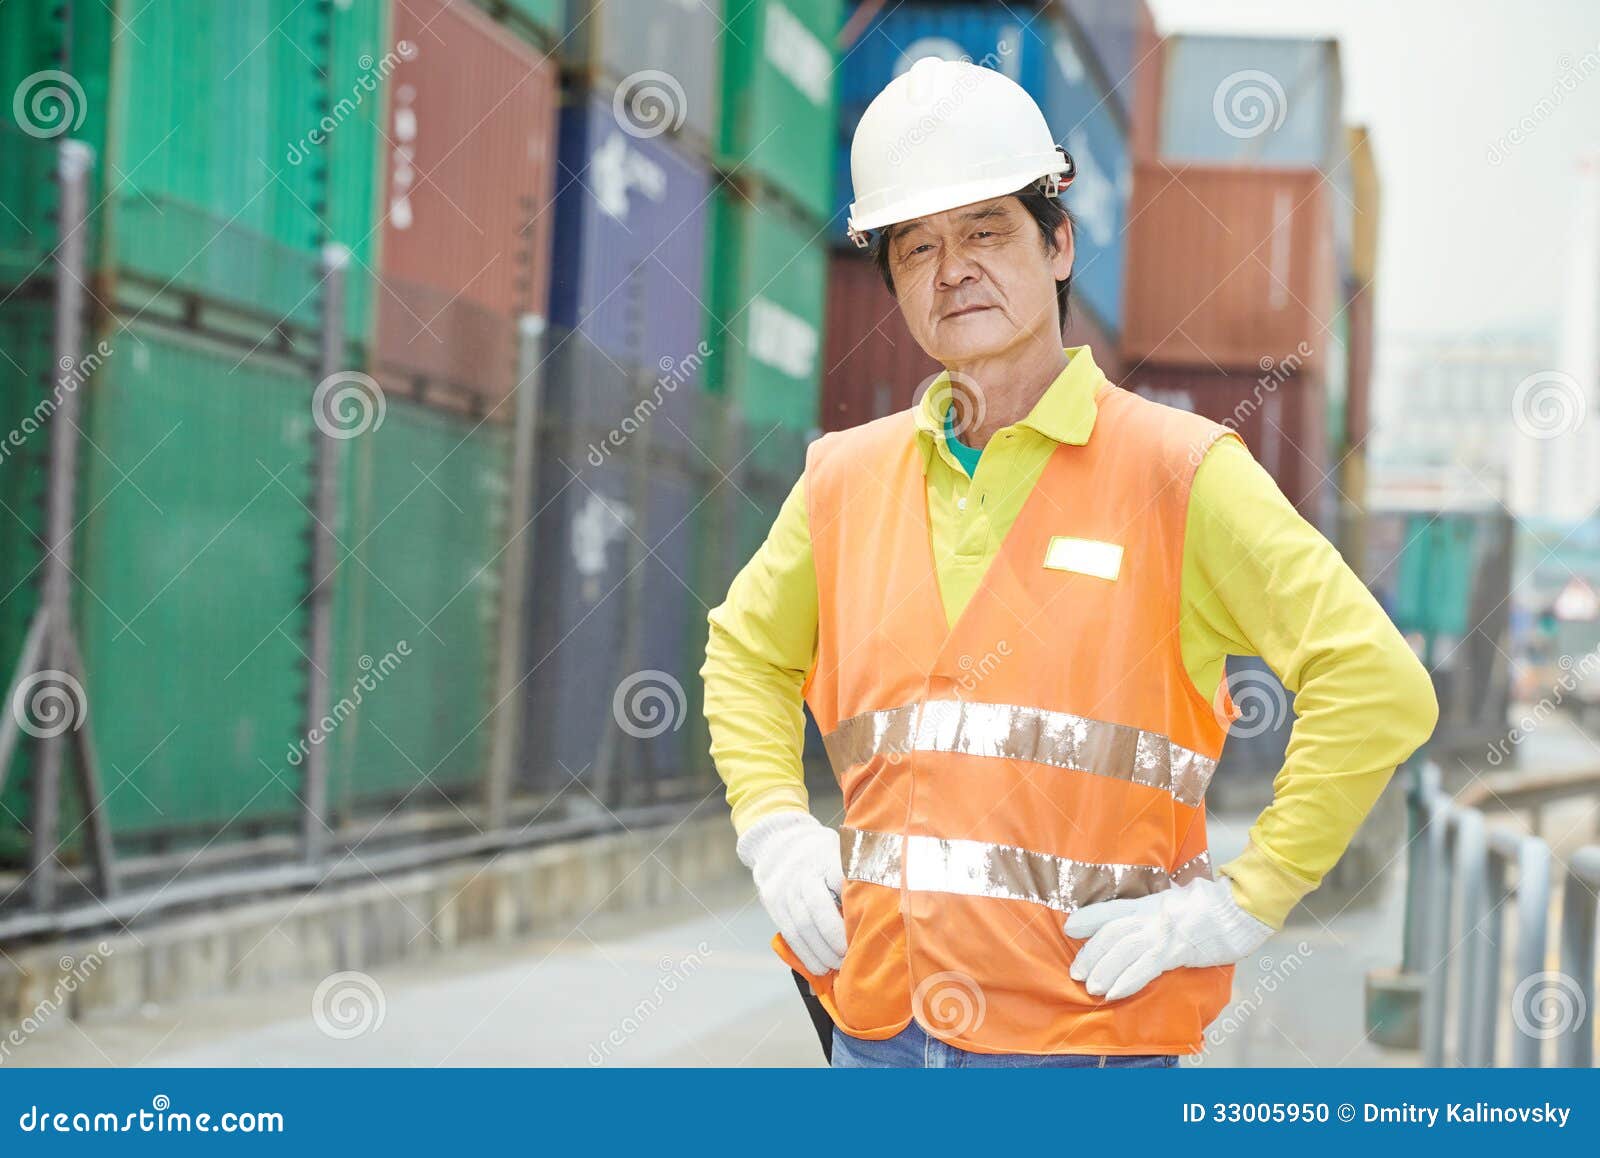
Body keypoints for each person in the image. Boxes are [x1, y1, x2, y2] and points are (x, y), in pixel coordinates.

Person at [700, 57, 1438, 1069]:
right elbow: (744, 656)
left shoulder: (1178, 474)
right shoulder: (842, 479)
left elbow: (1378, 686)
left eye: (985, 232)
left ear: (1058, 245)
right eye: (916, 248)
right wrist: (773, 828)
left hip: (1082, 1052)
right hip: (877, 1035)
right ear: (896, 284)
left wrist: (1240, 903)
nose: (951, 268)